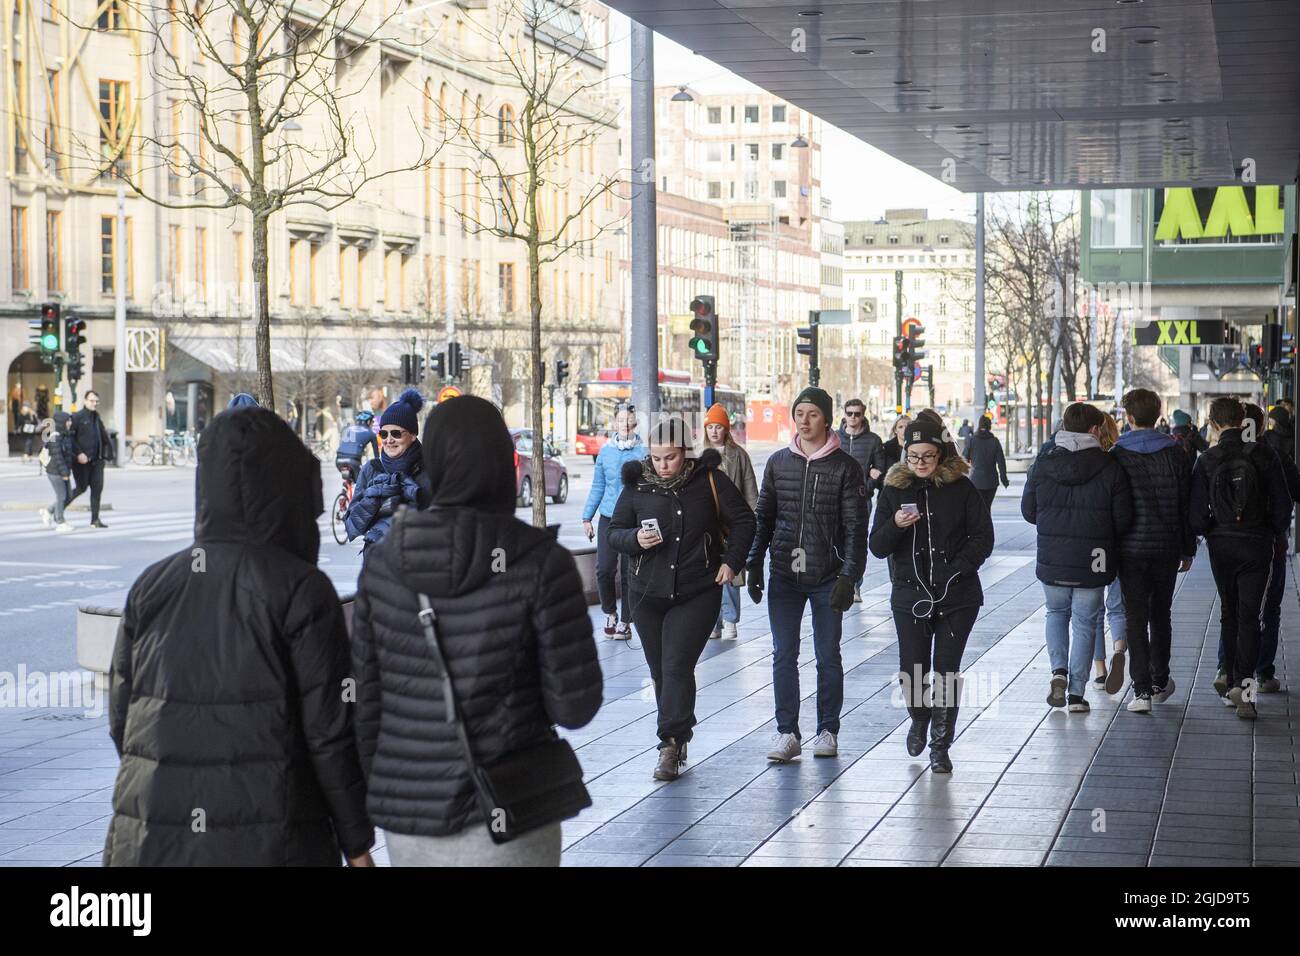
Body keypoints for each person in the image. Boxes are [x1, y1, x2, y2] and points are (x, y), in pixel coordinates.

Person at [104, 405, 374, 866]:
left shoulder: (153, 586)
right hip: (273, 838)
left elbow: (122, 719)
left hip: (150, 837)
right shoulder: (300, 591)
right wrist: (357, 844)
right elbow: (329, 735)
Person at [350, 395, 602, 865]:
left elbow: (366, 706)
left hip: (412, 815)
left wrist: (370, 809)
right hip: (513, 806)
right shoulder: (540, 562)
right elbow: (575, 705)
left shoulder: (383, 565)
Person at [609, 416, 755, 779]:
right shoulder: (638, 484)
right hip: (647, 592)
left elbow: (745, 521)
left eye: (670, 457)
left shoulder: (708, 479)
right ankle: (679, 728)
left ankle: (669, 744)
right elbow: (615, 532)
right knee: (661, 670)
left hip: (697, 589)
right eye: (656, 458)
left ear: (685, 453)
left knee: (676, 665)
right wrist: (634, 541)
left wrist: (732, 563)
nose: (662, 465)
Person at [746, 386, 867, 763]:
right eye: (799, 412)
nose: (804, 419)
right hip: (785, 574)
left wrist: (850, 575)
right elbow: (763, 516)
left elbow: (855, 528)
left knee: (827, 655)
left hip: (828, 576)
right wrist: (753, 562)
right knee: (783, 654)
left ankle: (827, 729)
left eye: (813, 413)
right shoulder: (779, 462)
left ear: (826, 418)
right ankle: (787, 733)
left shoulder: (845, 466)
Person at [869, 418, 993, 773]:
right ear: (904, 455)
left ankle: (941, 744)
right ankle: (920, 717)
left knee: (946, 671)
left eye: (928, 456)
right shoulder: (894, 490)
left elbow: (983, 537)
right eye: (913, 456)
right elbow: (877, 547)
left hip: (957, 596)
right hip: (910, 596)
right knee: (912, 669)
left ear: (941, 455)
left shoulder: (961, 488)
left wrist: (956, 567)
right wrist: (895, 525)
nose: (920, 463)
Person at [1022, 402, 1133, 714]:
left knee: (1056, 613)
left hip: (1053, 555)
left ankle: (1058, 671)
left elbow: (1028, 511)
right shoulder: (1109, 466)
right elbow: (1122, 519)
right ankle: (1076, 693)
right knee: (1085, 622)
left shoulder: (1043, 461)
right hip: (1094, 557)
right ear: (1095, 430)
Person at [1189, 397, 1292, 720]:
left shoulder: (1207, 459)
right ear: (1242, 419)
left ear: (1215, 423)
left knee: (1229, 611)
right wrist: (1272, 531)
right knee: (1251, 616)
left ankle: (1229, 677)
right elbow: (1282, 504)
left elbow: (1194, 514)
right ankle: (1245, 693)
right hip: (1257, 544)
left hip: (1222, 545)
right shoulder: (1264, 454)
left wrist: (1211, 530)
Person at [1108, 389, 1195, 713]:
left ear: (1129, 418)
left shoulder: (1117, 455)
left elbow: (1114, 508)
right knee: (1161, 615)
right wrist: (1187, 549)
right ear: (1159, 416)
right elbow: (1185, 505)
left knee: (1135, 616)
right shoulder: (1175, 453)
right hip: (1166, 547)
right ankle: (1161, 680)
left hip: (1130, 549)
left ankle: (1141, 690)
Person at [1229, 403, 1298, 696]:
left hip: (1227, 541)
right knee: (1267, 608)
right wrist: (1276, 532)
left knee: (1232, 607)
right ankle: (1263, 672)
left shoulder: (1218, 455)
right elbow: (1292, 494)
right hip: (1267, 543)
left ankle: (1226, 668)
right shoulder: (1274, 456)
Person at [581, 405, 645, 640]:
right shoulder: (605, 452)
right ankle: (610, 612)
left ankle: (626, 621)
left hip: (632, 520)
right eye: (620, 421)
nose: (625, 425)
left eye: (629, 421)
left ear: (635, 424)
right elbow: (598, 486)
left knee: (629, 573)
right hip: (608, 518)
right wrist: (587, 517)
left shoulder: (644, 452)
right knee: (604, 569)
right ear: (614, 425)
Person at [344, 389, 432, 549]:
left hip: (420, 560)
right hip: (378, 561)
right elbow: (350, 522)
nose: (389, 440)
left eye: (396, 433)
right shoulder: (371, 468)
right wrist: (374, 499)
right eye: (383, 434)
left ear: (412, 435)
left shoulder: (430, 468)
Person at [703, 403, 758, 638]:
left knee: (732, 570)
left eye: (719, 427)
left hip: (732, 524)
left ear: (726, 429)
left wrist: (752, 518)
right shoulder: (698, 456)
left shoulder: (739, 455)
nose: (714, 431)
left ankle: (730, 619)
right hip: (707, 524)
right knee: (709, 574)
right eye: (710, 427)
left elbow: (750, 490)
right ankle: (713, 622)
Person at [1090, 413, 1128, 692]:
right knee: (1117, 604)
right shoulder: (1119, 460)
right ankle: (1119, 649)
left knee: (1092, 609)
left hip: (1090, 545)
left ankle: (1100, 670)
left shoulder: (1086, 462)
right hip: (1118, 543)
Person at [836, 398, 887, 602]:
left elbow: (878, 471)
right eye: (850, 413)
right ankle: (838, 579)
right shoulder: (835, 437)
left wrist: (866, 488)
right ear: (845, 413)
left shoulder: (873, 440)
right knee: (836, 538)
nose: (853, 417)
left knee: (856, 540)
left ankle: (855, 585)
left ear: (863, 414)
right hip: (835, 498)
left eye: (857, 414)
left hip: (861, 498)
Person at [66, 390, 114, 529]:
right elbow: (70, 437)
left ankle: (95, 519)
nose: (94, 403)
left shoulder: (96, 417)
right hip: (82, 461)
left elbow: (103, 436)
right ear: (85, 401)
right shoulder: (77, 417)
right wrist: (79, 453)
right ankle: (56, 509)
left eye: (96, 401)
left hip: (97, 460)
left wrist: (108, 453)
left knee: (97, 489)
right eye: (92, 401)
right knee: (81, 488)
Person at [38, 413, 76, 533]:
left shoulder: (65, 435)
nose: (69, 423)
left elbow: (68, 454)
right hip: (55, 472)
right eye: (67, 421)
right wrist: (64, 473)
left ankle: (48, 511)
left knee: (68, 496)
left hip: (63, 471)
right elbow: (58, 457)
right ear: (60, 422)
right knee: (62, 496)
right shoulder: (55, 437)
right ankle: (60, 521)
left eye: (70, 421)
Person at [963, 414, 1009, 510]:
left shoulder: (972, 440)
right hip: (991, 481)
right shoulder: (994, 441)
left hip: (976, 481)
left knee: (979, 509)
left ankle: (982, 524)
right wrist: (1004, 479)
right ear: (989, 426)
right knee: (987, 507)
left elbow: (964, 458)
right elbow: (1001, 462)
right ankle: (986, 523)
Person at [335, 409, 379, 483]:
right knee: (361, 483)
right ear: (368, 422)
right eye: (372, 421)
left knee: (350, 480)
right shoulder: (371, 433)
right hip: (353, 461)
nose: (372, 423)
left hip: (338, 460)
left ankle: (345, 490)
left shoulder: (348, 429)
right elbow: (376, 456)